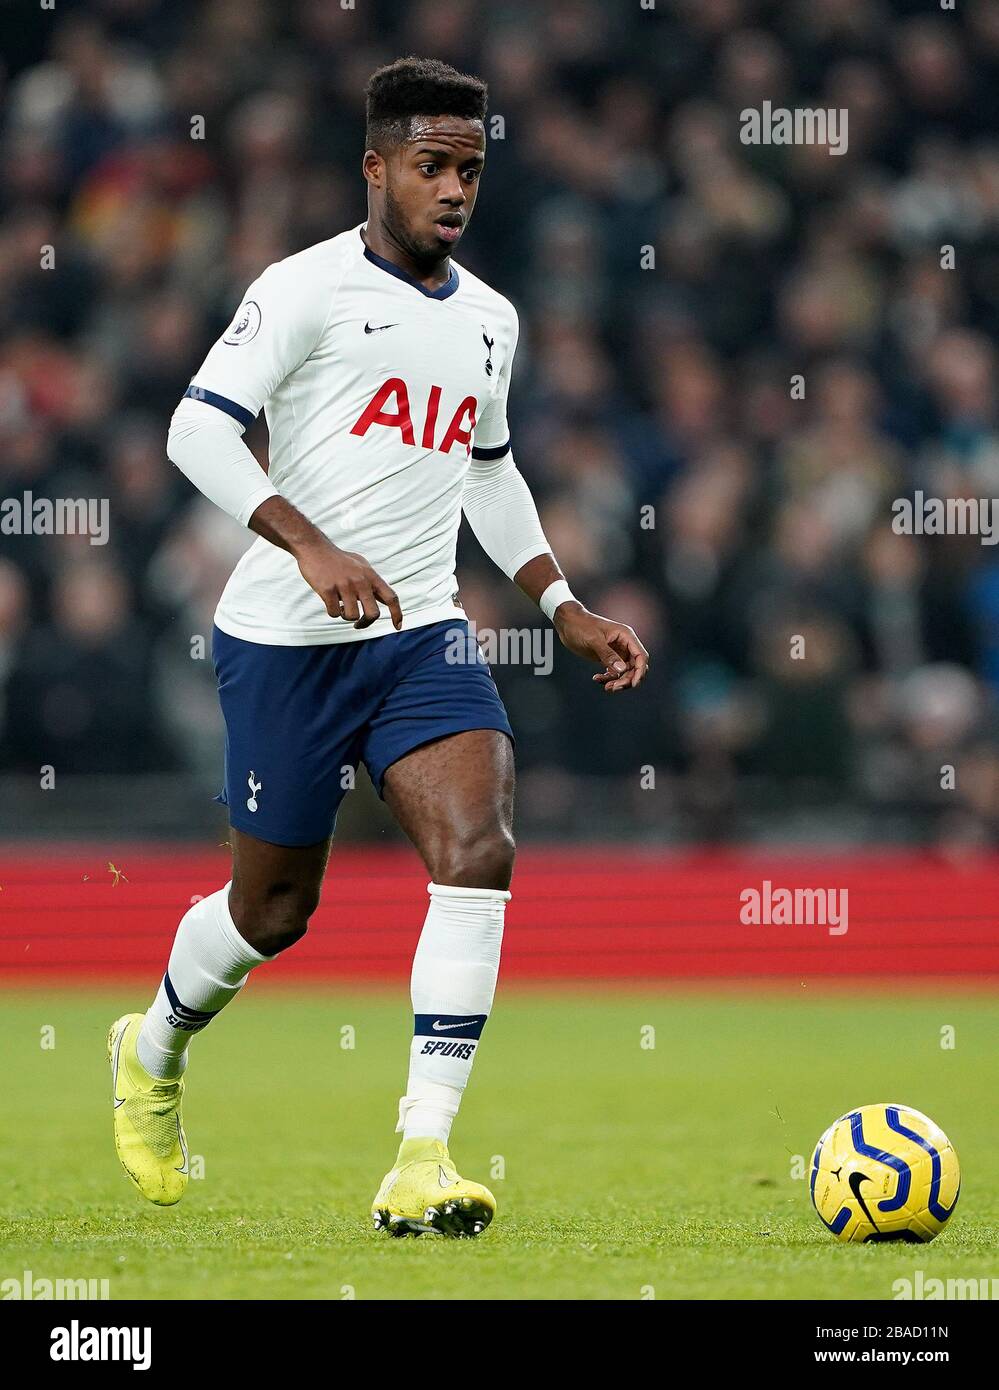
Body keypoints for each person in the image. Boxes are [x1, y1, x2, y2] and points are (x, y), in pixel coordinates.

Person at [108, 56, 648, 1238]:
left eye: (471, 168)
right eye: (432, 165)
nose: (456, 189)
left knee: (480, 845)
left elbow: (490, 473)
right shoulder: (302, 288)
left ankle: (423, 1151)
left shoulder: (494, 320)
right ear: (375, 167)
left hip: (422, 637)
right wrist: (306, 546)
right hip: (284, 642)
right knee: (274, 909)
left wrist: (563, 602)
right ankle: (149, 1052)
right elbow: (196, 430)